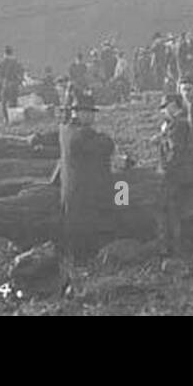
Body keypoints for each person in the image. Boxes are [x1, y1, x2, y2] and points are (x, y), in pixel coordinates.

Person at [51, 88, 115, 287]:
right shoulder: (83, 134)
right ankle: (83, 265)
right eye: (89, 113)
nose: (92, 117)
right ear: (78, 113)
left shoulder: (65, 128)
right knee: (85, 227)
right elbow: (106, 145)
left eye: (92, 113)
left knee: (73, 225)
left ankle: (76, 261)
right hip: (84, 188)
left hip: (70, 186)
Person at [155, 93, 193, 256]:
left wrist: (164, 170)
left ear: (173, 105)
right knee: (170, 211)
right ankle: (172, 247)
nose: (164, 112)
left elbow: (175, 151)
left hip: (174, 175)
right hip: (176, 173)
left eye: (165, 108)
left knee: (168, 211)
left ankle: (170, 248)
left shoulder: (178, 125)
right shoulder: (177, 124)